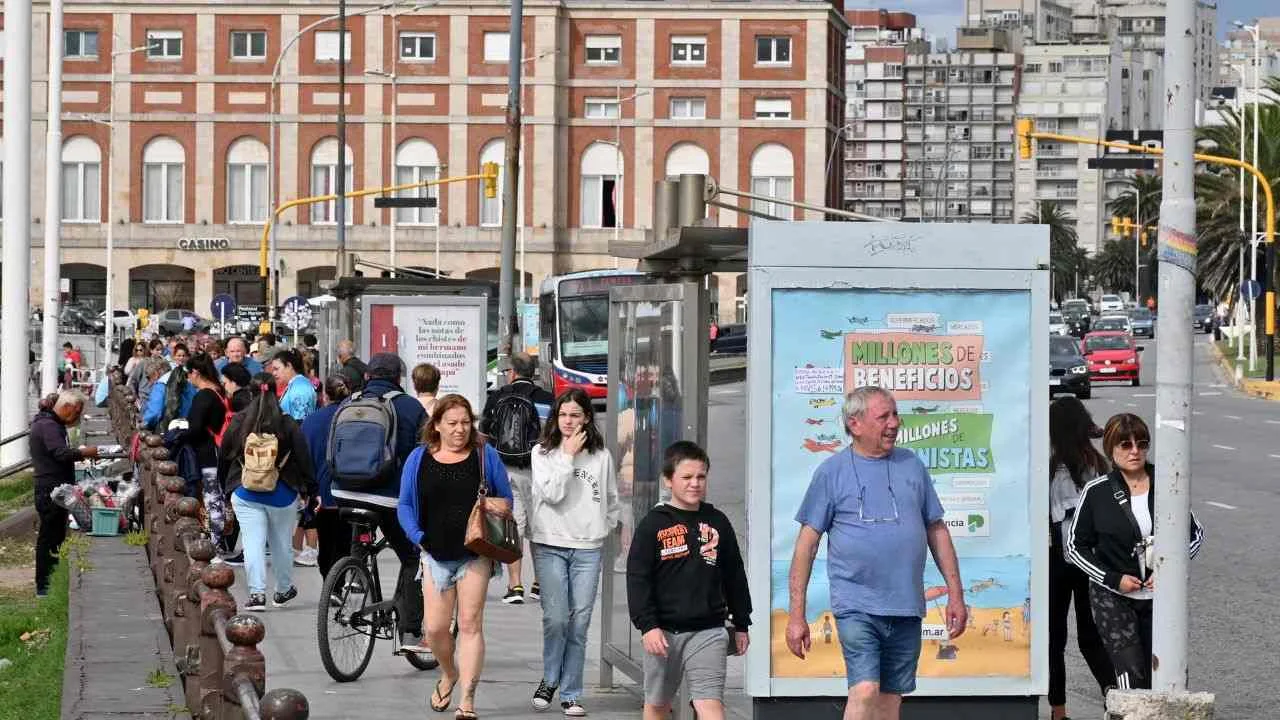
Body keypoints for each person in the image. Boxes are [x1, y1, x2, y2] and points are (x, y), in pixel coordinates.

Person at [786, 387, 967, 720]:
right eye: (883, 416)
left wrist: (956, 594)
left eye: (895, 414)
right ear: (855, 424)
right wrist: (796, 615)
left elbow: (937, 531)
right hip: (856, 605)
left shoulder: (911, 465)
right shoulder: (831, 472)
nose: (894, 423)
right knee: (865, 689)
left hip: (906, 606)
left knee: (889, 700)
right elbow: (805, 546)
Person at [1067, 413, 1204, 691]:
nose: (1135, 451)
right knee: (1132, 676)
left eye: (1141, 444)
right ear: (1111, 449)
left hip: (1161, 597)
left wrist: (1169, 570)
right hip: (1114, 597)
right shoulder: (1097, 492)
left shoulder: (1167, 484)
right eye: (1125, 445)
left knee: (1165, 675)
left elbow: (1195, 534)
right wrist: (1111, 578)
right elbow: (1075, 546)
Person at [396, 394, 512, 719]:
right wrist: (419, 538)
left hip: (475, 553)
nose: (460, 430)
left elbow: (505, 498)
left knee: (471, 624)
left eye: (465, 423)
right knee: (434, 629)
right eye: (452, 423)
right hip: (434, 554)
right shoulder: (419, 458)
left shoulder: (483, 455)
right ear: (437, 426)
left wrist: (491, 518)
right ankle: (449, 672)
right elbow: (404, 504)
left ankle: (467, 700)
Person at [626, 441, 751, 720]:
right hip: (664, 633)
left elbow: (734, 573)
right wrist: (648, 626)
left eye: (701, 477)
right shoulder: (653, 524)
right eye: (687, 477)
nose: (695, 483)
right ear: (668, 481)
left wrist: (741, 622)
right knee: (658, 704)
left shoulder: (717, 521)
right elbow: (638, 579)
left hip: (708, 630)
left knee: (710, 705)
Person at [527, 388, 621, 715]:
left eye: (575, 415)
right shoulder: (542, 453)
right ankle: (549, 679)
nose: (568, 421)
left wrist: (606, 527)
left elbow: (611, 498)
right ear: (555, 418)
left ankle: (570, 691)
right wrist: (566, 455)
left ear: (586, 418)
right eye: (563, 415)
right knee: (556, 619)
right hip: (551, 544)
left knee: (579, 622)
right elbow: (551, 494)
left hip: (588, 547)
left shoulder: (601, 456)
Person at [331, 352, 429, 653]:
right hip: (388, 497)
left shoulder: (349, 403)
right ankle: (411, 631)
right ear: (399, 378)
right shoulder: (410, 407)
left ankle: (355, 572)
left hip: (345, 492)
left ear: (369, 376)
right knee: (414, 557)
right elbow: (424, 454)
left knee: (362, 534)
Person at [217, 372, 316, 611]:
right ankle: (282, 590)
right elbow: (304, 458)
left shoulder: (240, 422)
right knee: (282, 544)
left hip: (245, 491)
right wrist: (310, 489)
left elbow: (224, 455)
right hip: (282, 493)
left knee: (252, 542)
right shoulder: (287, 422)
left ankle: (257, 594)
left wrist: (225, 487)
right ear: (276, 391)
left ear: (250, 393)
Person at [1047, 398, 1115, 719]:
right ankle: (1115, 699)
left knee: (1054, 640)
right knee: (1092, 638)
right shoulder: (1099, 464)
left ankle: (1058, 711)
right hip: (1092, 561)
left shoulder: (1050, 466)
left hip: (1057, 560)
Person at [479, 352, 553, 604]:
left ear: (512, 372)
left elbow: (485, 435)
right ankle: (540, 583)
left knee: (515, 526)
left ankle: (515, 585)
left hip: (506, 469)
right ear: (534, 372)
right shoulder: (546, 400)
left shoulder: (496, 397)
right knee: (540, 527)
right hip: (539, 470)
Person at [30, 391, 101, 597]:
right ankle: (44, 586)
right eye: (77, 412)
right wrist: (86, 452)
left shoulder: (49, 423)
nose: (77, 418)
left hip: (55, 488)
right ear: (67, 407)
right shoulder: (48, 426)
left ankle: (50, 581)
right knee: (49, 538)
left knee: (56, 536)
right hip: (49, 490)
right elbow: (60, 453)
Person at [300, 372, 355, 578]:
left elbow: (305, 458)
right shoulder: (356, 417)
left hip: (322, 492)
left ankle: (330, 584)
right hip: (353, 491)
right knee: (346, 540)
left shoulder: (311, 421)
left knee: (326, 541)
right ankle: (344, 579)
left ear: (324, 395)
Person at [181, 353, 232, 544]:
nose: (188, 378)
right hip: (218, 450)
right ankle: (217, 539)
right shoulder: (219, 391)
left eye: (189, 374)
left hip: (206, 452)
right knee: (215, 497)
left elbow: (195, 428)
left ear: (195, 372)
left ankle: (213, 542)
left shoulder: (203, 395)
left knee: (211, 498)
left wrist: (178, 433)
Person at [143, 344, 197, 431]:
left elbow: (155, 412)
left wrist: (144, 423)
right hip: (188, 427)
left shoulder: (161, 384)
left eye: (149, 378)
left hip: (169, 431)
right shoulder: (185, 380)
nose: (149, 383)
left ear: (156, 373)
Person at [271, 348, 317, 422]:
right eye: (273, 370)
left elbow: (301, 422)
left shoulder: (300, 388)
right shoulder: (296, 384)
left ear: (289, 366)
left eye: (276, 369)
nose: (274, 373)